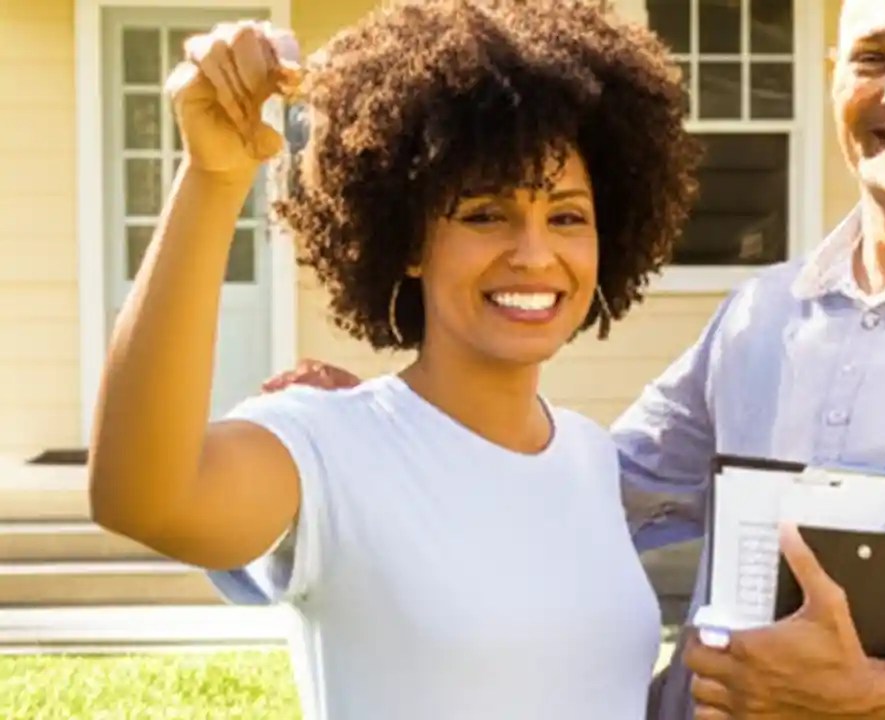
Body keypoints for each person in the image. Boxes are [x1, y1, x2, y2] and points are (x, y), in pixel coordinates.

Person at [274, 0, 885, 718]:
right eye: (876, 57)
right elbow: (586, 489)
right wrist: (394, 434)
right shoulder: (762, 317)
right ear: (833, 76)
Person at [85, 1, 700, 718]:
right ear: (409, 242)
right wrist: (213, 179)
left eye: (566, 216)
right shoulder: (329, 445)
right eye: (484, 214)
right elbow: (144, 499)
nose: (535, 254)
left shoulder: (591, 458)